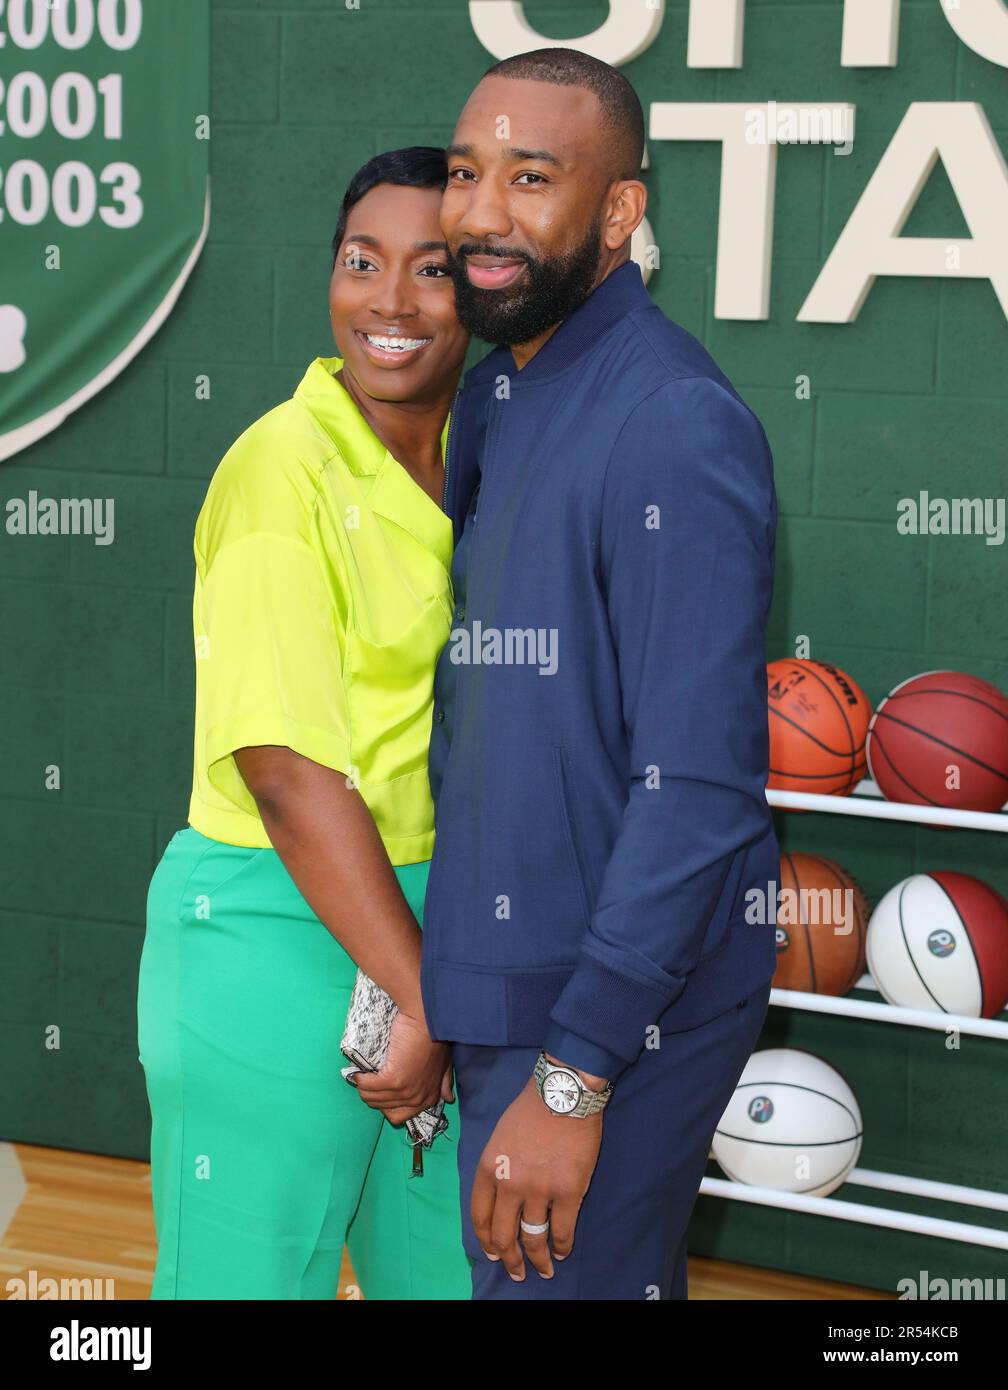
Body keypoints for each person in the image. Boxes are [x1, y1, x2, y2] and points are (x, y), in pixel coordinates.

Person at [420, 49, 780, 1300]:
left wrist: (573, 1071)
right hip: (509, 989)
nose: (480, 213)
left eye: (531, 178)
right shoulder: (497, 400)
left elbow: (699, 793)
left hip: (612, 1011)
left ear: (620, 212)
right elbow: (488, 725)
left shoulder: (676, 419)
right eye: (467, 174)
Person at [137, 147, 473, 1300]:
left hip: (446, 929)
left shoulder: (491, 458)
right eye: (360, 262)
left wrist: (449, 988)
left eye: (431, 268)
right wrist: (426, 998)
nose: (388, 300)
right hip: (276, 927)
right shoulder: (281, 466)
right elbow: (284, 771)